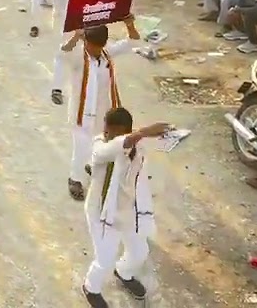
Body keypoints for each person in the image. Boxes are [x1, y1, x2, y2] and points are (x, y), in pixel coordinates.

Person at [81, 108, 170, 307]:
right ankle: (90, 287)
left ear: (125, 131)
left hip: (128, 211)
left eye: (113, 133)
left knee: (140, 251)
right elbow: (114, 146)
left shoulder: (136, 147)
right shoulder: (100, 146)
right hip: (102, 212)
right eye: (106, 131)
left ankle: (123, 271)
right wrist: (144, 132)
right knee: (104, 259)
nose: (107, 136)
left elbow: (130, 144)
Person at [51, 20, 139, 201]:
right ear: (86, 42)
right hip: (81, 111)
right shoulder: (78, 56)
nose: (95, 50)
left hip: (102, 109)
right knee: (81, 146)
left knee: (100, 140)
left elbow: (133, 43)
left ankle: (91, 164)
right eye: (92, 46)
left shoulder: (106, 55)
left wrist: (129, 24)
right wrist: (76, 36)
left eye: (99, 46)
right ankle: (75, 179)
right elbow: (61, 54)